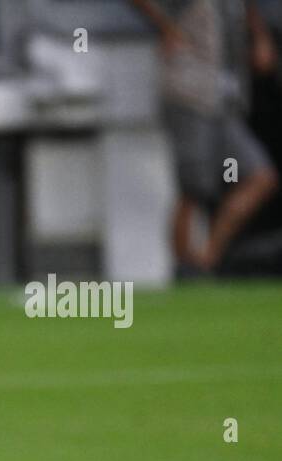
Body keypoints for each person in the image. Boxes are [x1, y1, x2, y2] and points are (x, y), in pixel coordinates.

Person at [130, 0, 280, 273]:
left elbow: (247, 10)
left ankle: (209, 256)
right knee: (194, 186)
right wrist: (166, 28)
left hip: (225, 101)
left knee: (260, 175)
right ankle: (184, 266)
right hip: (190, 91)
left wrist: (260, 38)